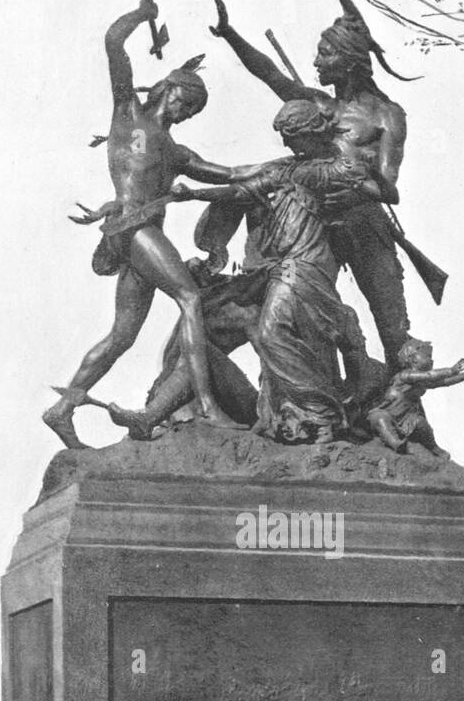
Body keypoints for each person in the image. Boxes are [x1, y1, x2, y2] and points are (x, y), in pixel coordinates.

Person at [43, 0, 252, 448]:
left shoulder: (177, 152)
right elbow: (114, 44)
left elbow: (233, 174)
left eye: (193, 110)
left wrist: (282, 167)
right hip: (134, 231)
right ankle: (210, 408)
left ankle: (62, 409)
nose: (186, 111)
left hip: (139, 237)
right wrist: (141, 15)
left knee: (122, 336)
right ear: (168, 87)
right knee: (191, 299)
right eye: (185, 100)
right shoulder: (130, 120)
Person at [210, 0, 444, 372]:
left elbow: (389, 187)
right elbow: (269, 73)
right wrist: (230, 33)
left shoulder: (387, 115)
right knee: (301, 316)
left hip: (364, 226)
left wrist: (343, 181)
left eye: (326, 53)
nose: (317, 62)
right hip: (313, 228)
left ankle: (406, 415)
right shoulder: (319, 105)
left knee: (393, 328)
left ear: (350, 61)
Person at [160, 99, 377, 444]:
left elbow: (378, 188)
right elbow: (239, 188)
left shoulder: (324, 169)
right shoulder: (285, 170)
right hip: (281, 270)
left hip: (305, 267)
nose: (287, 145)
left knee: (273, 333)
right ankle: (297, 413)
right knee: (271, 334)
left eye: (291, 137)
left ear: (309, 133)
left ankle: (320, 410)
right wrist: (192, 194)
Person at [366, 340, 464, 458]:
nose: (431, 360)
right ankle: (396, 443)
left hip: (406, 418)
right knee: (380, 418)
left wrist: (463, 377)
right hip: (387, 412)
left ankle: (434, 447)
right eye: (428, 356)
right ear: (413, 359)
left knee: (421, 424)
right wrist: (451, 371)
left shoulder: (421, 381)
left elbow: (442, 382)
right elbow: (430, 375)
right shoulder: (405, 375)